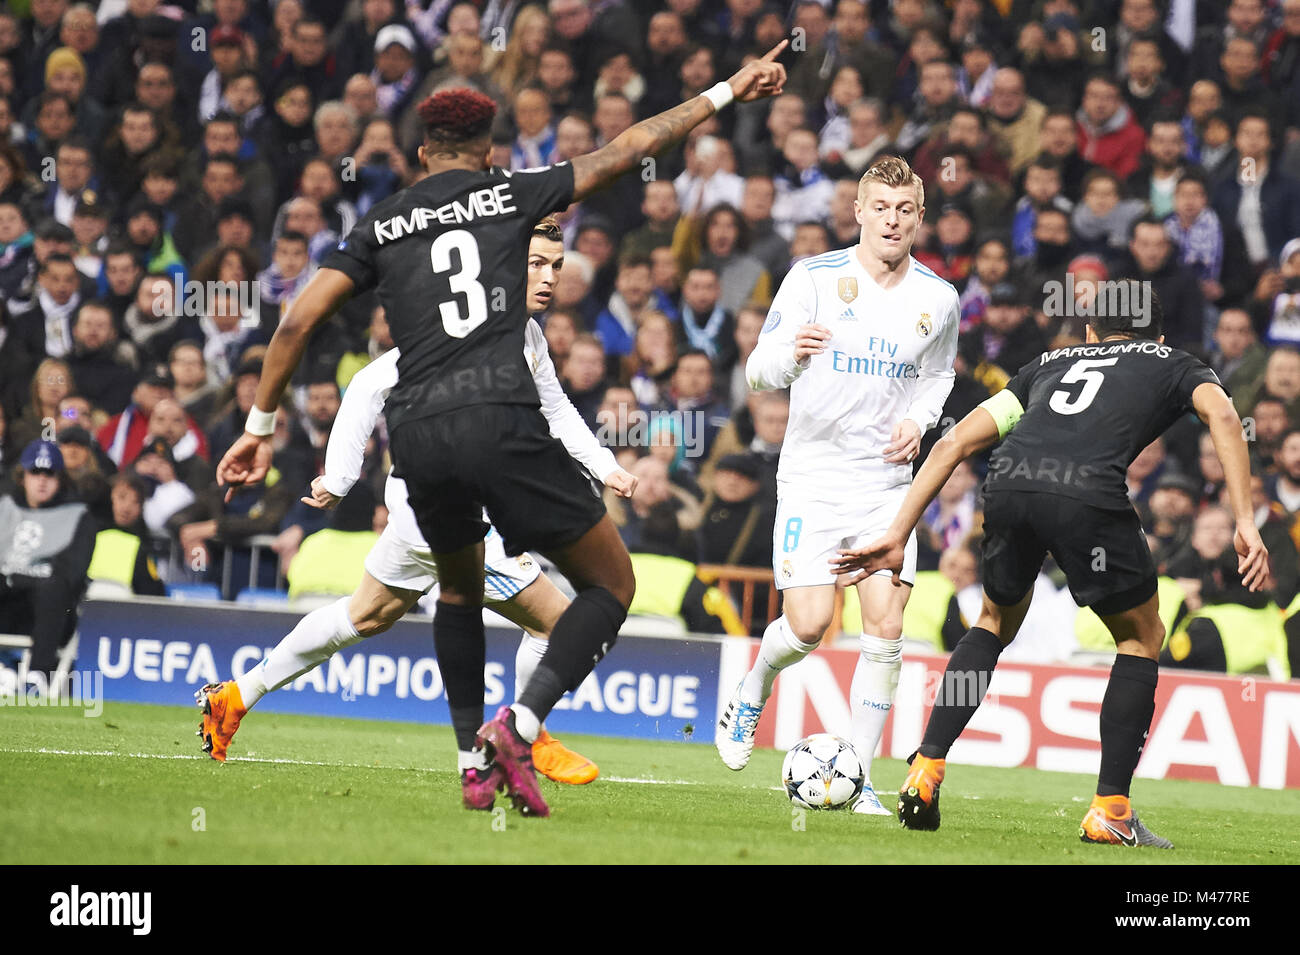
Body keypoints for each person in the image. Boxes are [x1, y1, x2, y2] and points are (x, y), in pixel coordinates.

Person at [215, 51, 789, 817]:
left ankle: (472, 762)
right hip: (496, 422)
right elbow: (630, 148)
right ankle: (519, 725)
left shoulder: (382, 222)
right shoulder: (510, 196)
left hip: (419, 438)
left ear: (420, 153)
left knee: (434, 595)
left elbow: (294, 321)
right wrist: (727, 88)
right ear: (491, 154)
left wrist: (259, 426)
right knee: (609, 587)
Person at [198, 218, 636, 792]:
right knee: (563, 624)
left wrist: (605, 466)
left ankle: (235, 696)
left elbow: (555, 410)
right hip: (450, 505)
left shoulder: (524, 335)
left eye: (556, 265)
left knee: (366, 614)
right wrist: (342, 473)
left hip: (419, 502)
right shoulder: (468, 327)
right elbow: (368, 384)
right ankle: (525, 739)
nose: (548, 277)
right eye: (535, 262)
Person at [833, 282, 1268, 849]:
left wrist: (897, 533)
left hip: (1009, 485)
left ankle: (927, 764)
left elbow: (953, 444)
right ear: (1157, 336)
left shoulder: (1048, 362)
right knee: (1141, 638)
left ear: (1089, 333)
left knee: (991, 622)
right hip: (1087, 495)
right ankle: (1110, 809)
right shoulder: (1176, 362)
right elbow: (1226, 419)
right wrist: (1245, 520)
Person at [715, 154, 960, 817]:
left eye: (905, 210)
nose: (892, 220)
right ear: (857, 211)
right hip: (814, 480)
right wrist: (791, 352)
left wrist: (919, 418)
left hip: (887, 487)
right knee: (810, 625)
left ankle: (862, 780)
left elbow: (940, 375)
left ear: (919, 217)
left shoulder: (938, 298)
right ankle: (754, 686)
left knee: (885, 624)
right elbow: (758, 370)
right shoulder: (814, 278)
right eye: (880, 207)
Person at [0, 440, 97, 690]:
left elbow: (72, 574)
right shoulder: (5, 508)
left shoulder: (79, 516)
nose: (42, 480)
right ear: (22, 476)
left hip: (49, 614)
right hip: (7, 605)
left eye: (49, 474)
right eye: (35, 472)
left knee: (53, 587)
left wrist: (17, 576)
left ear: (60, 478)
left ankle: (38, 676)